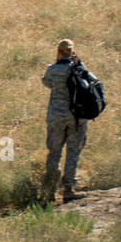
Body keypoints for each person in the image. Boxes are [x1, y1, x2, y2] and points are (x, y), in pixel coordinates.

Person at [42, 38, 88, 201]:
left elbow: (47, 83)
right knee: (73, 152)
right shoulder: (77, 69)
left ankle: (50, 191)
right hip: (76, 118)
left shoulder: (52, 70)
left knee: (54, 153)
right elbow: (87, 83)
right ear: (72, 52)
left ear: (58, 52)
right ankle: (69, 188)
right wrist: (78, 62)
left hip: (56, 117)